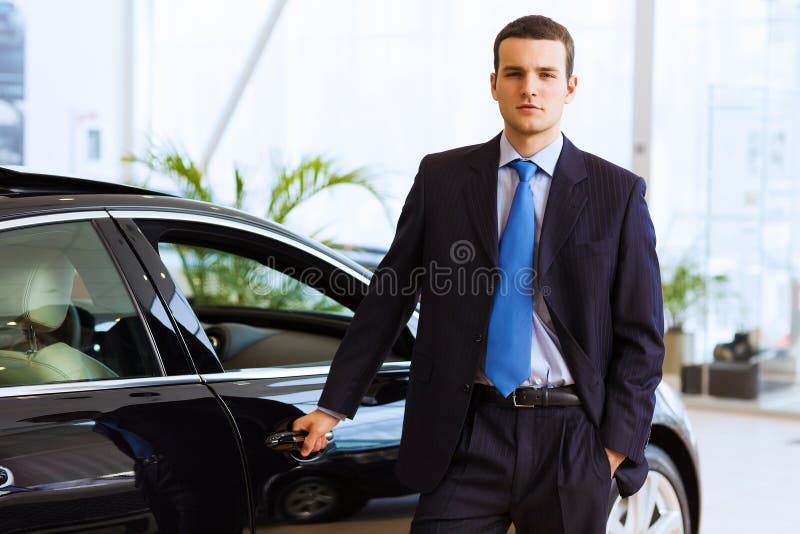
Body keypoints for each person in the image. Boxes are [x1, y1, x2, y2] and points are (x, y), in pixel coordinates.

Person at [293, 14, 664, 533]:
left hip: (570, 436)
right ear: (494, 84)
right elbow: (388, 297)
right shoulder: (442, 178)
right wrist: (334, 406)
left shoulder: (617, 194)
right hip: (464, 430)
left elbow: (642, 337)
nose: (529, 87)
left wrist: (611, 450)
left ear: (570, 87)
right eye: (514, 73)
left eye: (546, 74)